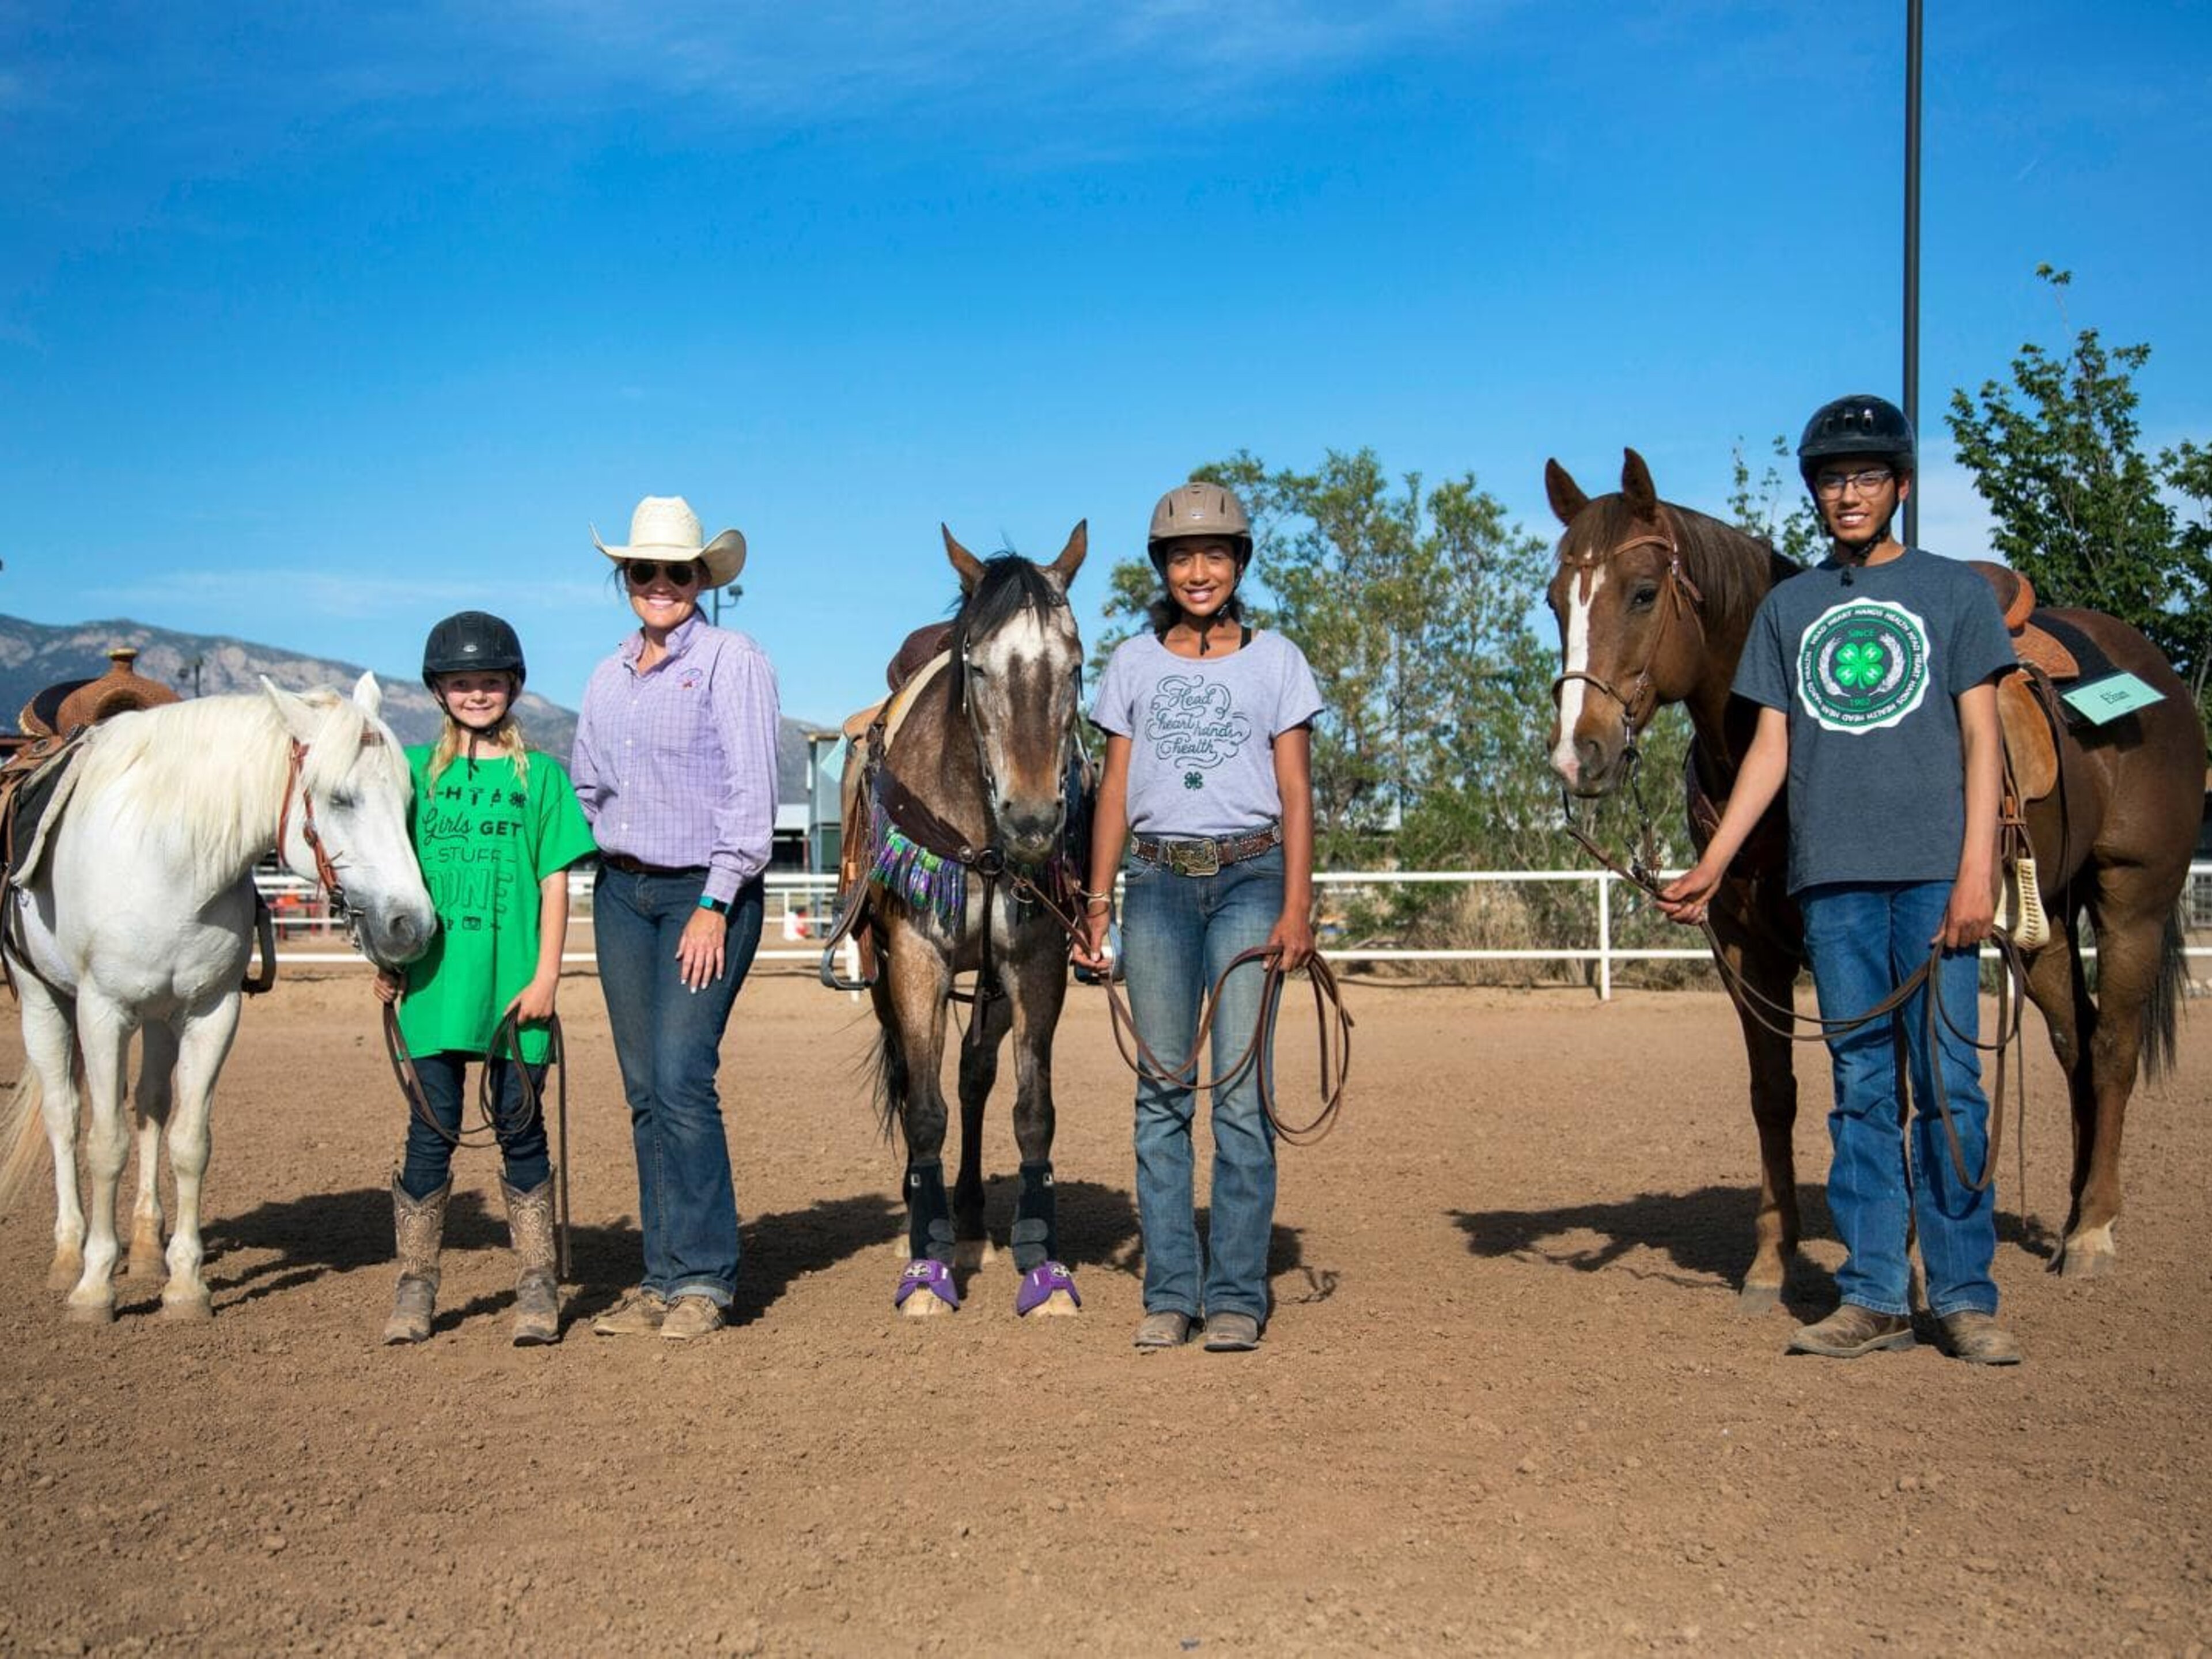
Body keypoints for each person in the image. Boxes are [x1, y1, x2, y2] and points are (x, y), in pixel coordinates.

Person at [1658, 394, 2022, 1365]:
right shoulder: (1792, 608)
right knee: (1861, 1088)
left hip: (1935, 878)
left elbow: (1984, 736)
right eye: (1831, 478)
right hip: (1834, 887)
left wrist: (1976, 867)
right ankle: (1872, 1294)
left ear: (1900, 485)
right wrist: (1716, 861)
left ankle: (1965, 1295)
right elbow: (1770, 748)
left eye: (1865, 476)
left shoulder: (1953, 595)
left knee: (1949, 1087)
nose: (1847, 494)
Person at [1074, 481, 1322, 1353]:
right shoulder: (1132, 663)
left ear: (1241, 563)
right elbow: (1113, 789)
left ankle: (1238, 1293)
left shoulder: (1278, 660)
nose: (1200, 570)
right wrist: (1098, 902)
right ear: (1163, 568)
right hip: (1158, 885)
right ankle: (1171, 1288)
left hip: (1252, 881)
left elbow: (1295, 790)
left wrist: (1297, 905)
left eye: (1216, 554)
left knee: (1243, 1100)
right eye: (1183, 556)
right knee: (1162, 1093)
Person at [571, 495, 780, 1342]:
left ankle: (703, 1279)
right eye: (644, 570)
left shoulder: (734, 661)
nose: (660, 584)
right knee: (645, 1091)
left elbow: (752, 794)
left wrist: (714, 902)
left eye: (677, 571)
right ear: (626, 579)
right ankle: (658, 1277)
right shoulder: (605, 674)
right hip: (622, 897)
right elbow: (587, 782)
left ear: (702, 579)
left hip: (704, 893)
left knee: (683, 1078)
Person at [376, 611, 597, 1346]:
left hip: (514, 991)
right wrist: (383, 961)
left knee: (521, 1134)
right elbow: (380, 875)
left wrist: (547, 980)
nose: (477, 694)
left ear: (514, 687)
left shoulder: (545, 780)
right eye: (463, 683)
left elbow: (557, 885)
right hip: (433, 988)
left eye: (490, 682)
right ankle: (416, 1283)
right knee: (428, 1139)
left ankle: (536, 1283)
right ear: (440, 691)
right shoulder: (408, 773)